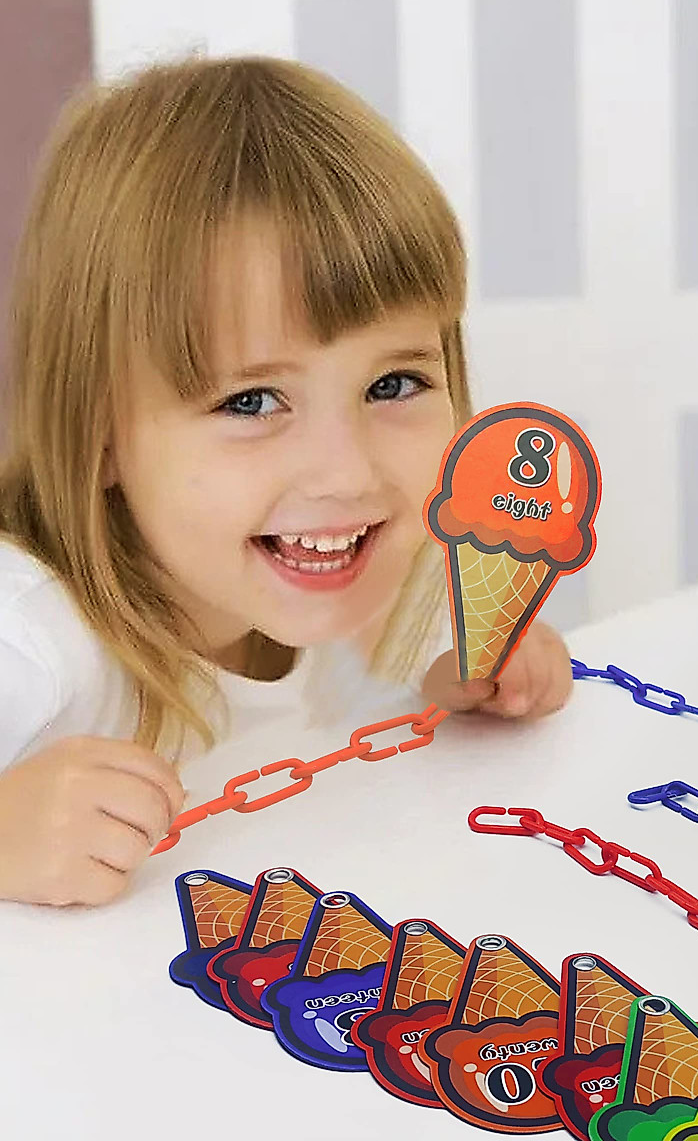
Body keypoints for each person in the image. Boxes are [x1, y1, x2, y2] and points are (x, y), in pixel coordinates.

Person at [0, 55, 572, 909]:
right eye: (252, 401)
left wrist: (461, 662)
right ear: (100, 434)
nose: (347, 473)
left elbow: (389, 649)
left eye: (393, 385)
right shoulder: (30, 641)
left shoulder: (327, 564)